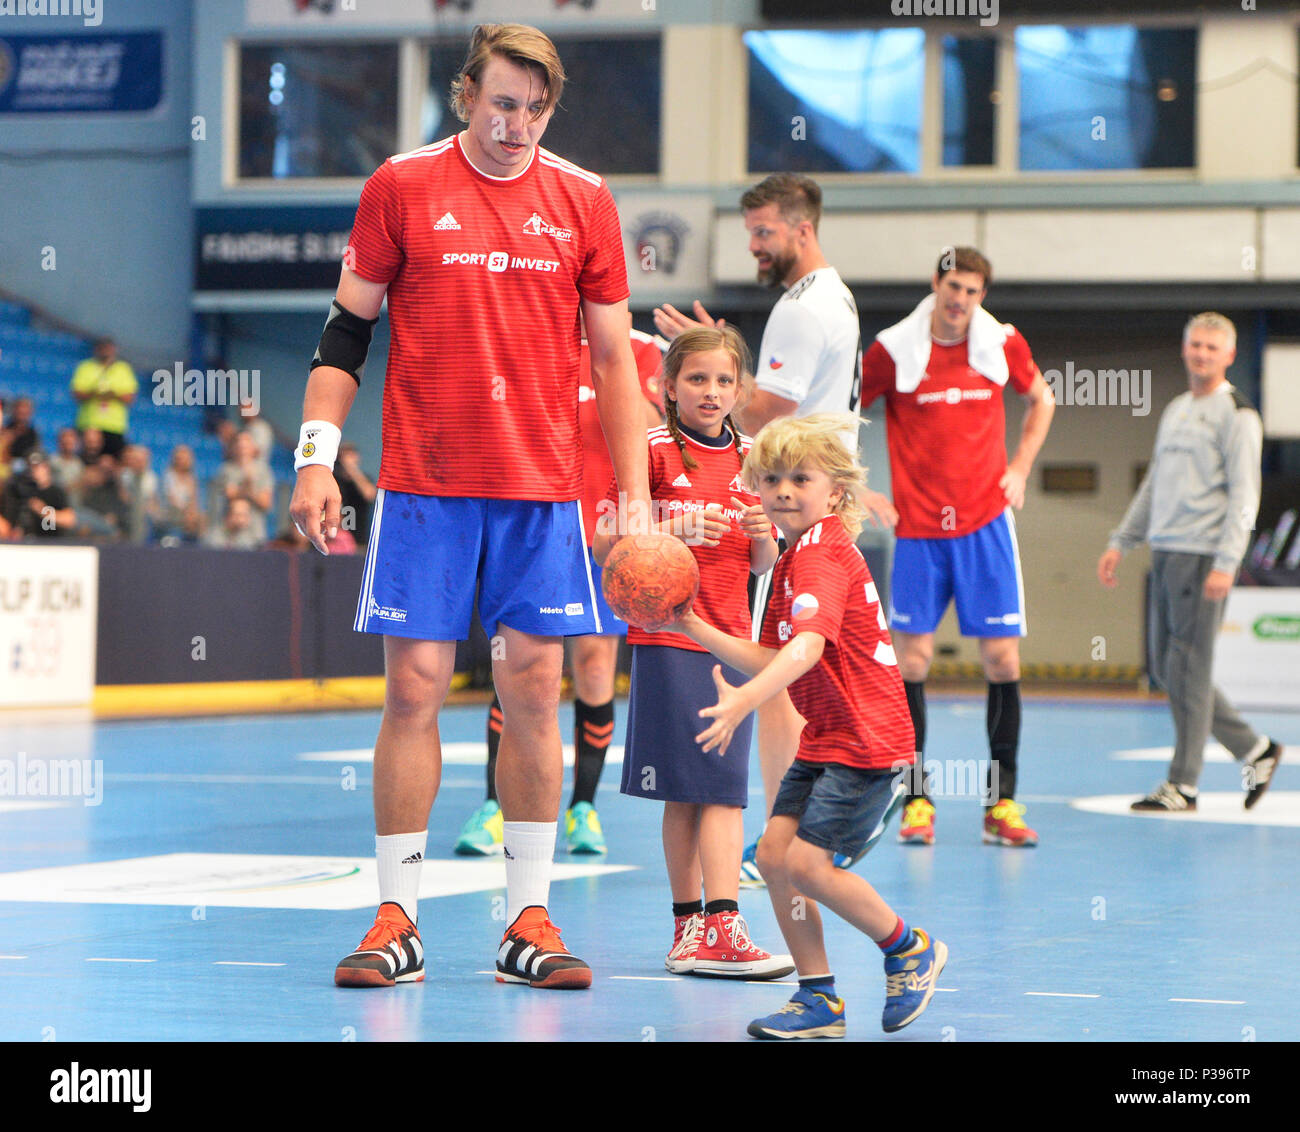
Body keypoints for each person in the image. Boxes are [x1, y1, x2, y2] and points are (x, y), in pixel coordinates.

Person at [288, 22, 649, 991]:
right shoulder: (401, 186)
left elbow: (615, 360)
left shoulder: (584, 200)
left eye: (534, 108)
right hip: (422, 486)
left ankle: (527, 917)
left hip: (540, 494)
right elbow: (342, 334)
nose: (516, 124)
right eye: (501, 102)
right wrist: (314, 460)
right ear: (466, 94)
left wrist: (641, 499)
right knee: (412, 692)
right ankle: (396, 917)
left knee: (535, 691)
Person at [664, 413, 945, 1037]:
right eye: (770, 479)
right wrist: (693, 626)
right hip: (829, 738)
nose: (783, 490)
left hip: (866, 742)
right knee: (773, 856)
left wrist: (742, 704)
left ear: (835, 493)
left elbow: (807, 650)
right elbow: (772, 656)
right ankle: (818, 998)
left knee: (810, 866)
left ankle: (908, 947)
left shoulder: (820, 556)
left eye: (800, 478)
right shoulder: (792, 561)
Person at [653, 173, 881, 887]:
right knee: (809, 667)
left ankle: (792, 831)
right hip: (825, 498)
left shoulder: (798, 311)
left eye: (762, 233)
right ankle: (817, 822)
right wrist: (717, 355)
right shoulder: (836, 296)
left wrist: (705, 369)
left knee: (778, 672)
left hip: (793, 502)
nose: (753, 246)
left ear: (799, 229)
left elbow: (761, 419)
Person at [593, 326, 789, 978]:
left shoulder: (754, 456)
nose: (711, 392)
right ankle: (717, 926)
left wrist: (764, 539)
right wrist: (670, 526)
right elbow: (602, 535)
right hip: (668, 638)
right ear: (667, 387)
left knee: (695, 792)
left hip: (732, 641)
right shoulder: (648, 450)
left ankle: (690, 934)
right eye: (697, 379)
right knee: (718, 791)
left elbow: (764, 564)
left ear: (741, 390)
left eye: (724, 381)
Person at [859, 246, 1055, 848]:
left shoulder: (1003, 344)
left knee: (1002, 662)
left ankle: (1002, 807)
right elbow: (843, 418)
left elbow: (1041, 399)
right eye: (953, 288)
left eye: (972, 291)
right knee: (911, 664)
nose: (960, 301)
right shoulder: (893, 350)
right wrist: (864, 493)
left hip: (986, 527)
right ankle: (916, 801)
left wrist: (1020, 467)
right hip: (918, 529)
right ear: (935, 284)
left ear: (982, 296)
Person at [454, 322, 663, 858]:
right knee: (520, 670)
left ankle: (583, 808)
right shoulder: (526, 335)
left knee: (594, 670)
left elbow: (655, 434)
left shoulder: (638, 350)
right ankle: (494, 807)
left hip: (606, 535)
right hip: (534, 531)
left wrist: (611, 369)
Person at [1098, 312, 1283, 811]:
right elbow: (1156, 484)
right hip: (1167, 552)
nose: (1201, 354)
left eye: (1211, 347)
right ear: (1185, 349)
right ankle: (1254, 749)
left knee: (1191, 669)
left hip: (1204, 557)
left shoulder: (1238, 415)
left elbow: (1246, 495)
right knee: (1167, 667)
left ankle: (1184, 784)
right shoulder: (1178, 409)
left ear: (1228, 354)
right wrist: (1122, 539)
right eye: (1195, 345)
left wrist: (1228, 561)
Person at [71, 338, 137, 457]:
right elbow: (76, 394)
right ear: (97, 350)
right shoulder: (85, 367)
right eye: (103, 348)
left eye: (108, 348)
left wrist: (113, 394)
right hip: (89, 424)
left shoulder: (123, 369)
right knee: (87, 459)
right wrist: (94, 393)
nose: (105, 351)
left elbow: (130, 398)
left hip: (114, 426)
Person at [212, 430, 274, 544]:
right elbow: (230, 494)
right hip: (230, 534)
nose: (242, 448)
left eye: (246, 444)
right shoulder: (226, 469)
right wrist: (249, 489)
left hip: (256, 533)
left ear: (253, 447)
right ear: (234, 447)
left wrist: (246, 491)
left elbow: (266, 502)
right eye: (239, 444)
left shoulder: (263, 471)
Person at [158, 444, 204, 544]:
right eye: (181, 459)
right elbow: (171, 500)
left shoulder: (192, 479)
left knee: (201, 520)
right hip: (170, 515)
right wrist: (186, 513)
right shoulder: (168, 477)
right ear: (175, 460)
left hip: (188, 516)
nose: (184, 461)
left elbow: (195, 501)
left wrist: (193, 513)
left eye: (187, 458)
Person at [333, 442, 377, 545]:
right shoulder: (334, 479)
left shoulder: (364, 479)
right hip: (335, 540)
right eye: (344, 456)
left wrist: (352, 469)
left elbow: (369, 494)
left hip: (358, 540)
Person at [2, 397, 39, 463]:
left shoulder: (33, 435)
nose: (22, 416)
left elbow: (35, 455)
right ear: (14, 411)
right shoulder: (4, 431)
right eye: (19, 413)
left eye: (24, 413)